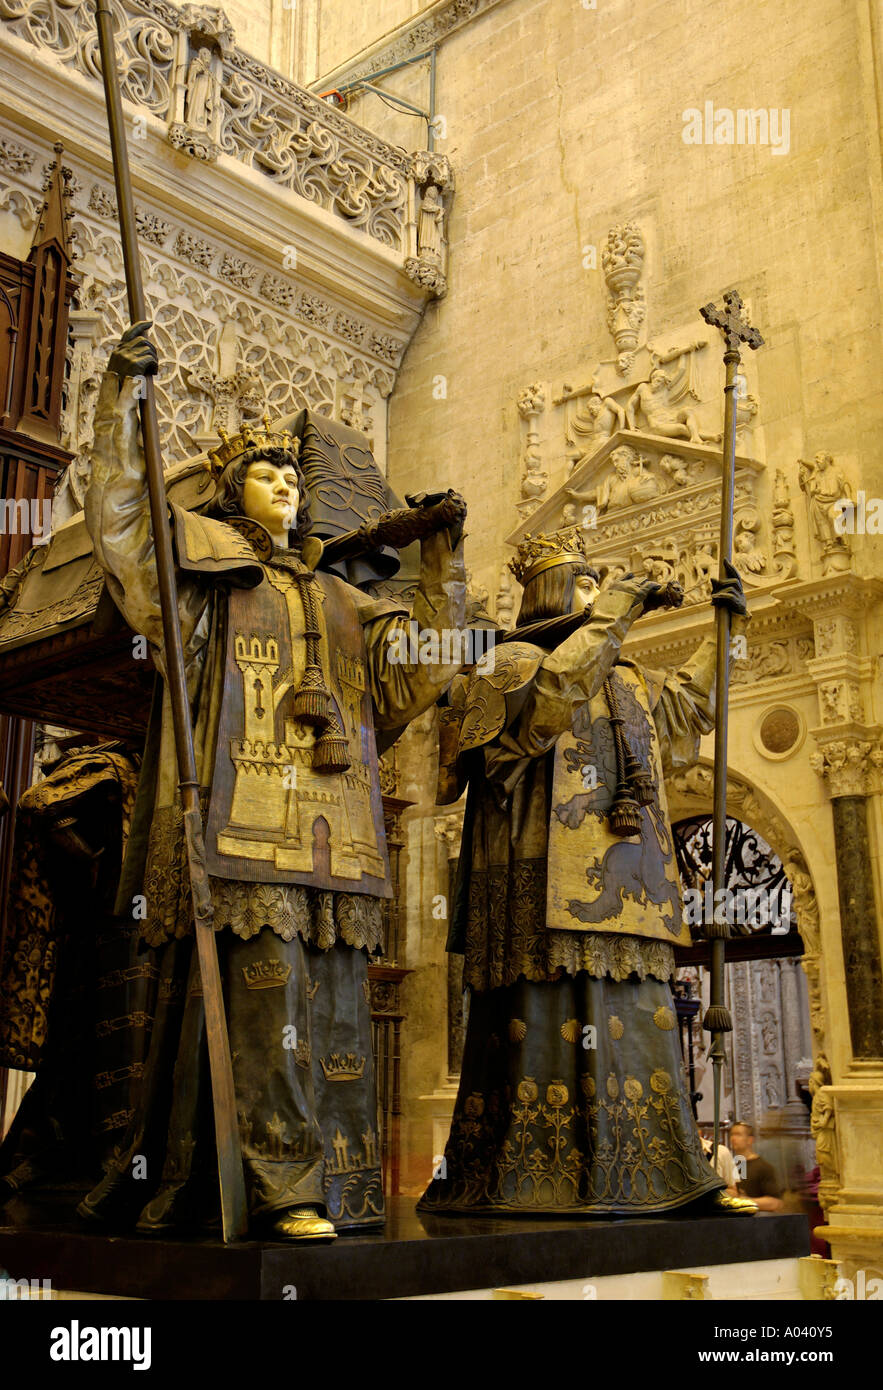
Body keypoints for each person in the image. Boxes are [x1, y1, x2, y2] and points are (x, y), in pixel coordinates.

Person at [77, 322, 467, 1240]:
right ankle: (274, 1186)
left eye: (294, 474)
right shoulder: (209, 574)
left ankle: (339, 1183)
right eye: (265, 472)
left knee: (331, 1016)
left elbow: (422, 673)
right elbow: (129, 533)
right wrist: (121, 401)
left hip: (336, 833)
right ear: (230, 490)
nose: (286, 483)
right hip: (243, 822)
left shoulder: (345, 602)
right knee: (261, 1005)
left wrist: (442, 562)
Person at [420, 526, 755, 1217]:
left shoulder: (624, 676)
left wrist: (722, 634)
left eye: (598, 583)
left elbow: (692, 707)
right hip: (535, 886)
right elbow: (545, 708)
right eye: (582, 582)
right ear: (546, 592)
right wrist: (613, 616)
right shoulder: (506, 664)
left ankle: (663, 1176)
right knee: (543, 1020)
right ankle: (525, 1179)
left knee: (639, 1024)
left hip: (629, 887)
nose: (597, 594)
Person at [730, 1121, 784, 1211]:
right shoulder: (732, 1165)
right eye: (732, 1134)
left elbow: (776, 1203)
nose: (733, 1138)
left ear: (750, 1140)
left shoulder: (763, 1167)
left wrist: (744, 1202)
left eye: (738, 1134)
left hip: (756, 1221)